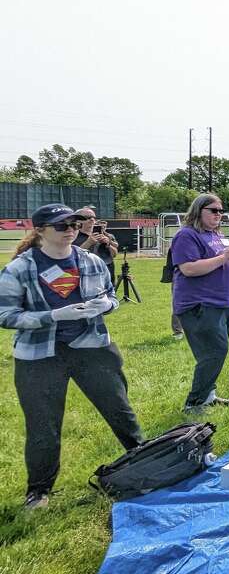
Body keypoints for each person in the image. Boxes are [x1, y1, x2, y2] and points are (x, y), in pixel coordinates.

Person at [1, 204, 143, 510]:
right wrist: (52, 315)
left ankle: (148, 464)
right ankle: (38, 491)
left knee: (120, 410)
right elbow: (5, 314)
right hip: (40, 356)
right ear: (39, 230)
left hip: (92, 347)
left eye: (74, 225)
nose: (71, 230)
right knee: (43, 425)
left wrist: (105, 306)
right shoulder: (20, 268)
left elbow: (111, 297)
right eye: (61, 226)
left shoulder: (90, 260)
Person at [171, 193, 229, 416]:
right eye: (213, 210)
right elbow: (189, 269)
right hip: (200, 304)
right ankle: (194, 402)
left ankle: (208, 395)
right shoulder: (186, 235)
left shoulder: (217, 236)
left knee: (213, 353)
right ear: (198, 211)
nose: (219, 215)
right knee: (215, 351)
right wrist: (225, 256)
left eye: (221, 211)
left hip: (224, 302)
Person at [72, 207, 118, 284]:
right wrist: (88, 243)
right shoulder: (71, 236)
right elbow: (72, 257)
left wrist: (108, 244)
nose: (92, 220)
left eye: (94, 217)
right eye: (87, 217)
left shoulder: (103, 235)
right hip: (86, 278)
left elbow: (114, 254)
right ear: (77, 220)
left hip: (107, 275)